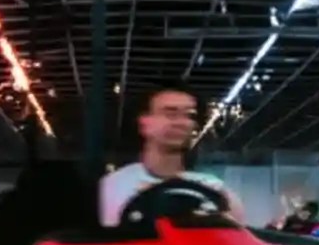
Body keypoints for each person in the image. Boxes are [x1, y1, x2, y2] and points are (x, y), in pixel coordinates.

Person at [99, 87, 245, 227]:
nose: (181, 123)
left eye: (190, 116)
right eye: (170, 113)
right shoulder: (112, 187)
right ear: (144, 122)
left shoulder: (216, 191)